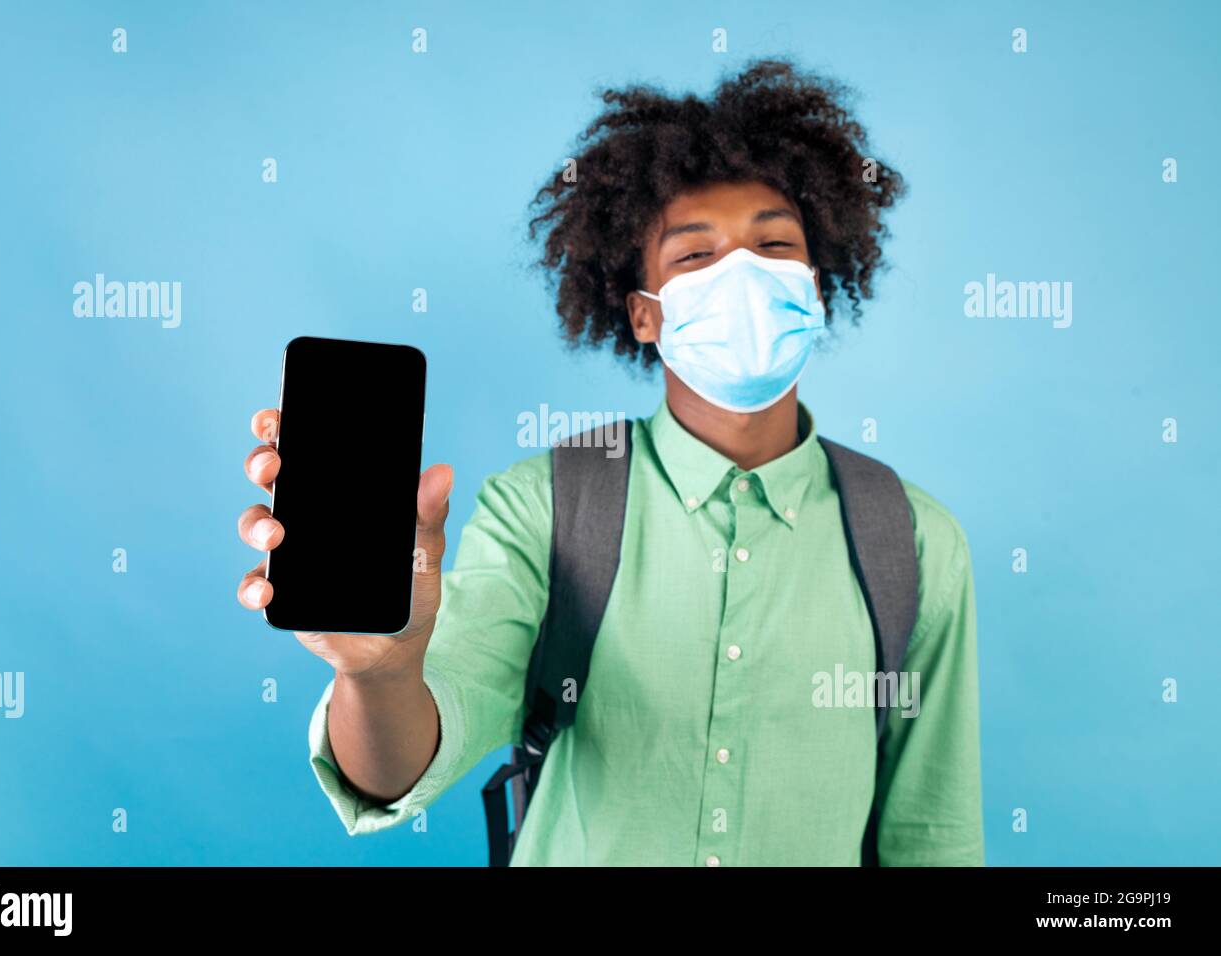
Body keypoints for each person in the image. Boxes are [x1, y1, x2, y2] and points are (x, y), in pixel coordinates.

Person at [235, 58, 984, 866]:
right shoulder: (548, 508)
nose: (742, 275)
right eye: (696, 258)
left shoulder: (910, 540)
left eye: (773, 245)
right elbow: (406, 761)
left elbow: (933, 838)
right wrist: (380, 672)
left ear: (816, 287)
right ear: (642, 313)